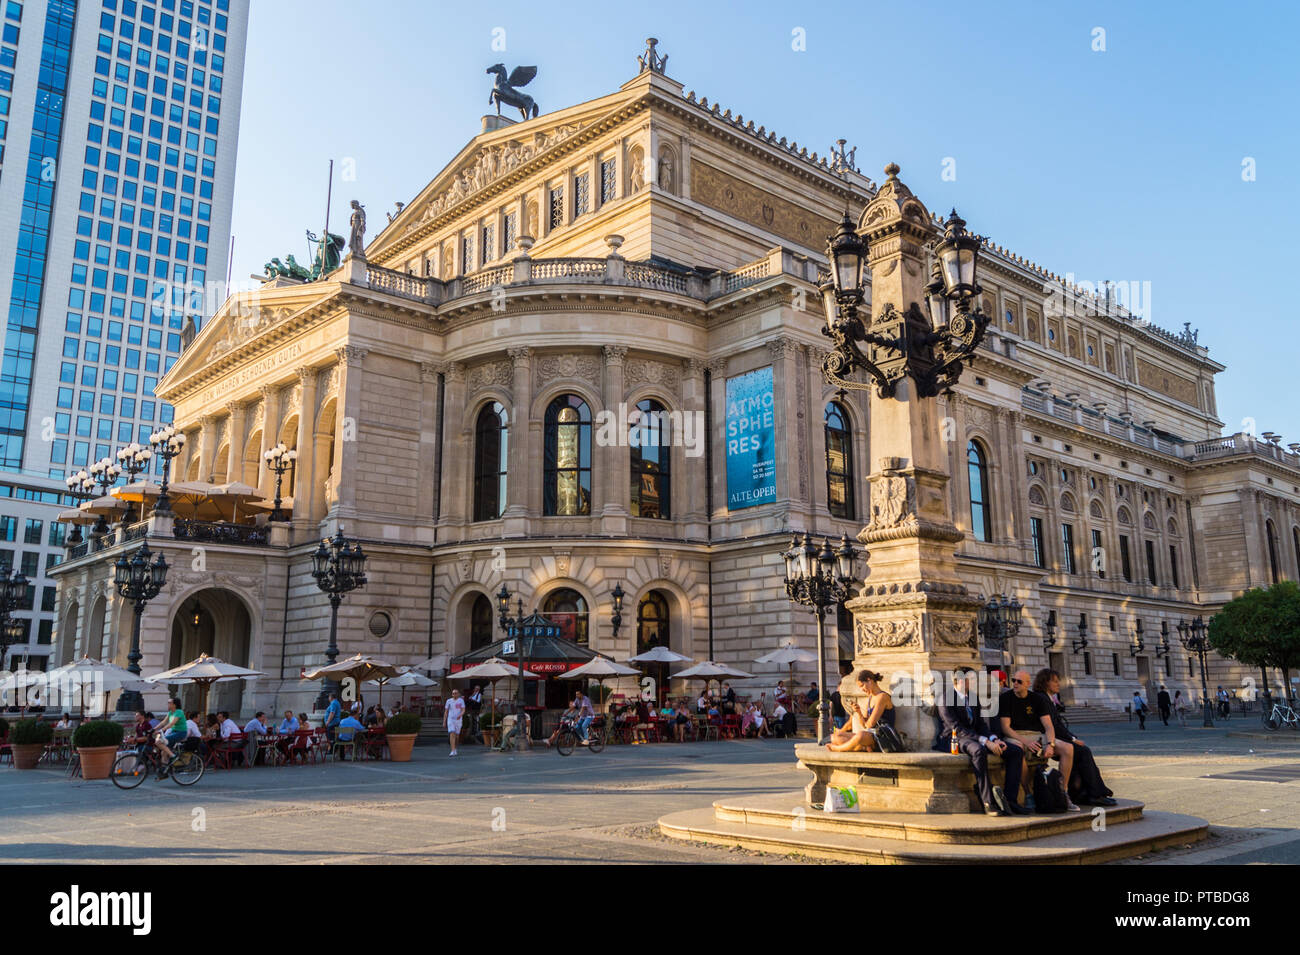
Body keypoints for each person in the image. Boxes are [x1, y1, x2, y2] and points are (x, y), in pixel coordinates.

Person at [937, 668, 1026, 816]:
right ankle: (988, 802)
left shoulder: (972, 697)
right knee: (979, 750)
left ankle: (1011, 800)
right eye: (970, 679)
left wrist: (994, 739)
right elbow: (956, 728)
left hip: (974, 737)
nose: (973, 682)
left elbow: (981, 725)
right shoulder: (946, 698)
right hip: (954, 738)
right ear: (959, 680)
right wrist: (985, 741)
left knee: (1015, 751)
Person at [1032, 669, 1116, 806]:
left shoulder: (1048, 698)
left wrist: (1072, 737)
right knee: (1083, 752)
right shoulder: (1041, 698)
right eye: (1054, 681)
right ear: (1045, 682)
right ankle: (1095, 793)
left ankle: (1082, 792)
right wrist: (1072, 739)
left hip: (1054, 737)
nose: (1058, 684)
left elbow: (1058, 724)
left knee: (1081, 753)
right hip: (1046, 739)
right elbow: (1053, 725)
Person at [999, 670, 1079, 812]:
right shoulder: (1006, 698)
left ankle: (1063, 792)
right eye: (1013, 680)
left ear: (1028, 684)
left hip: (1036, 735)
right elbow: (1005, 728)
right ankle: (1028, 793)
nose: (1015, 684)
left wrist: (1050, 744)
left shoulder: (1037, 699)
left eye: (1019, 681)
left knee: (1068, 748)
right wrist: (1026, 742)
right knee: (1018, 749)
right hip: (1015, 735)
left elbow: (1048, 726)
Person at [826, 671, 893, 753]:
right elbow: (864, 725)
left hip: (882, 736)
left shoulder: (882, 697)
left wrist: (864, 726)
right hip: (870, 734)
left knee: (860, 735)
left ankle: (839, 749)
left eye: (862, 685)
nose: (862, 689)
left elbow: (870, 724)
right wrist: (858, 712)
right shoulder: (870, 697)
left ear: (870, 680)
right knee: (835, 737)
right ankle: (865, 747)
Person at [155, 697, 187, 768]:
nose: (168, 704)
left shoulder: (179, 712)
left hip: (180, 733)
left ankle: (173, 756)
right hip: (174, 732)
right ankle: (164, 769)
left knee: (158, 742)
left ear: (174, 705)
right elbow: (163, 722)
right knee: (163, 752)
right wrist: (154, 729)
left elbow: (172, 723)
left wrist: (162, 730)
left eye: (169, 703)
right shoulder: (170, 713)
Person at [444, 688, 465, 756]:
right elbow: (446, 712)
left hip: (458, 720)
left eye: (456, 693)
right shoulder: (449, 701)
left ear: (458, 694)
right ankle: (452, 750)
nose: (454, 694)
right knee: (452, 733)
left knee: (457, 736)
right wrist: (444, 721)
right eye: (453, 693)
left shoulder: (461, 701)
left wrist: (460, 715)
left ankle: (455, 748)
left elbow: (463, 710)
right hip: (450, 719)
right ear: (452, 694)